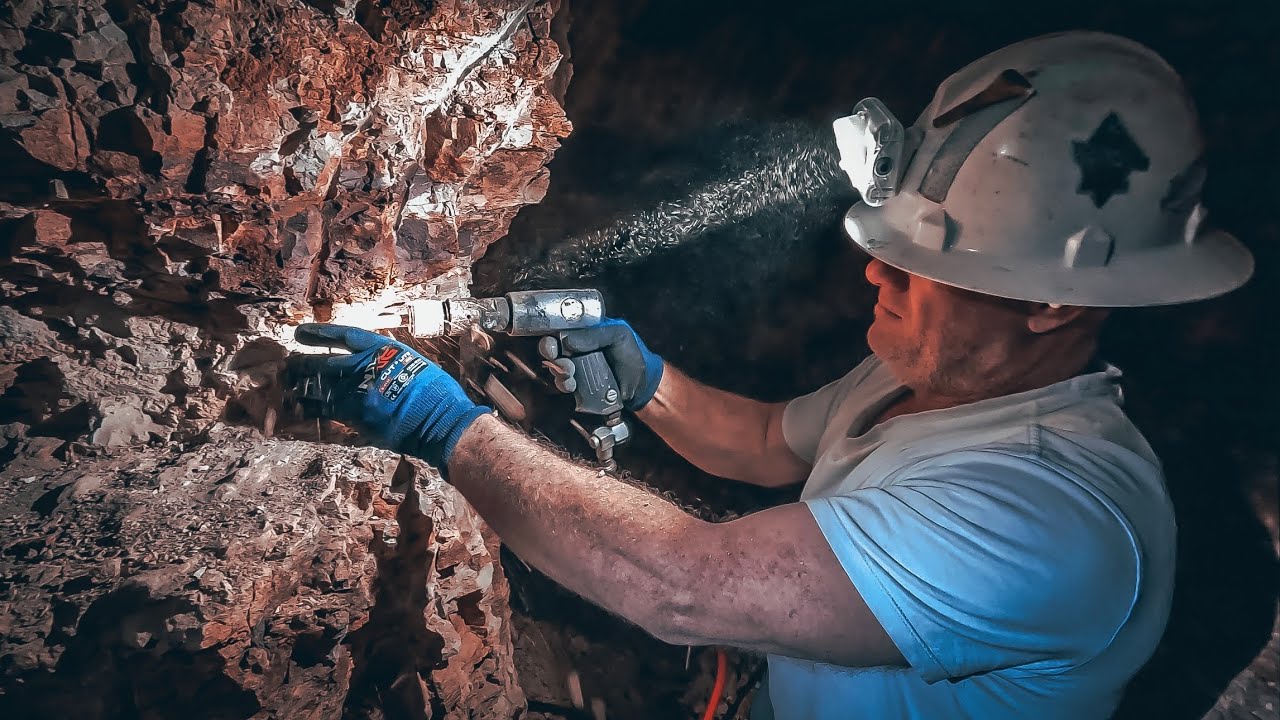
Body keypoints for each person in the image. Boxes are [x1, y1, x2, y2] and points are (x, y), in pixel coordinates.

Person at [286, 31, 1253, 719]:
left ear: (1051, 303)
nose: (875, 276)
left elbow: (683, 588)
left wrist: (442, 424)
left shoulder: (1047, 522)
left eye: (920, 268)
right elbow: (763, 443)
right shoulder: (941, 377)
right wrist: (647, 380)